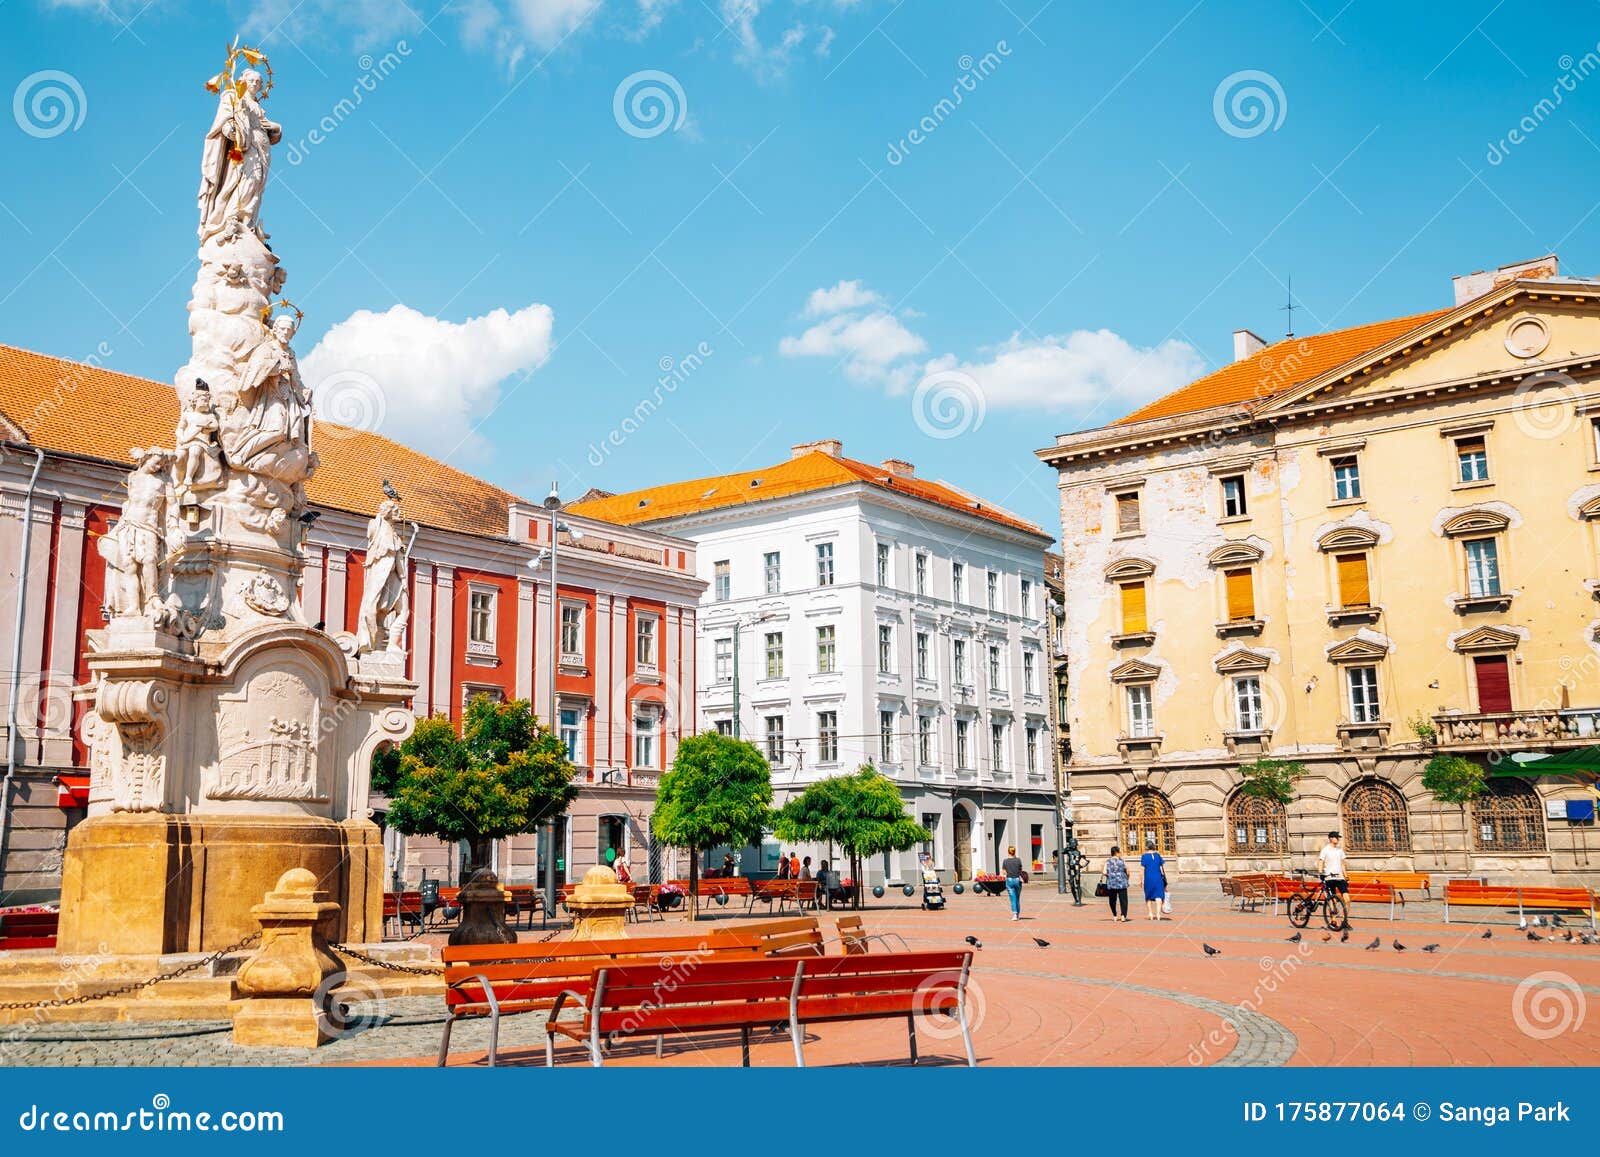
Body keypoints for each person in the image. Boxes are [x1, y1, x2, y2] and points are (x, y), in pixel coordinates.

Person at [1317, 830, 1350, 924]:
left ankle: (1344, 920)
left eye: (1338, 837)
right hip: (1329, 878)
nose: (1338, 839)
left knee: (1347, 899)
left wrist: (1346, 876)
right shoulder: (1325, 850)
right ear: (1331, 838)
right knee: (1332, 900)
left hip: (1340, 878)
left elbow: (1342, 864)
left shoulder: (1340, 850)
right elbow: (1321, 861)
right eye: (1336, 837)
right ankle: (1333, 919)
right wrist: (1320, 873)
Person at [1139, 844, 1167, 920]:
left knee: (1148, 896)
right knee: (1159, 896)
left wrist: (1141, 880)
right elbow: (1162, 869)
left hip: (1148, 879)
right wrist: (1164, 880)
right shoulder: (1158, 856)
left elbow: (1142, 869)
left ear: (1146, 848)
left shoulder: (1144, 856)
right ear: (1154, 847)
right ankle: (1158, 914)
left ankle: (1150, 914)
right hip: (1158, 878)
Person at [1104, 846, 1130, 921]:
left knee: (1112, 900)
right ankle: (1123, 916)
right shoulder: (1122, 861)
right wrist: (1126, 878)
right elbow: (1128, 871)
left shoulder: (1108, 861)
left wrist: (1110, 875)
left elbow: (1104, 872)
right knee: (1123, 900)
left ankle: (1115, 915)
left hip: (1112, 883)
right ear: (1117, 853)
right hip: (1122, 883)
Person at [1001, 845, 1026, 921]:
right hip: (1018, 880)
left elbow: (1004, 872)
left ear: (1008, 852)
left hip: (1009, 880)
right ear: (1014, 852)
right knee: (1017, 898)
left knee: (1012, 898)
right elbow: (1020, 870)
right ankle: (1018, 915)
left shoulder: (1005, 861)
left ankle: (1015, 914)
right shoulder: (1018, 860)